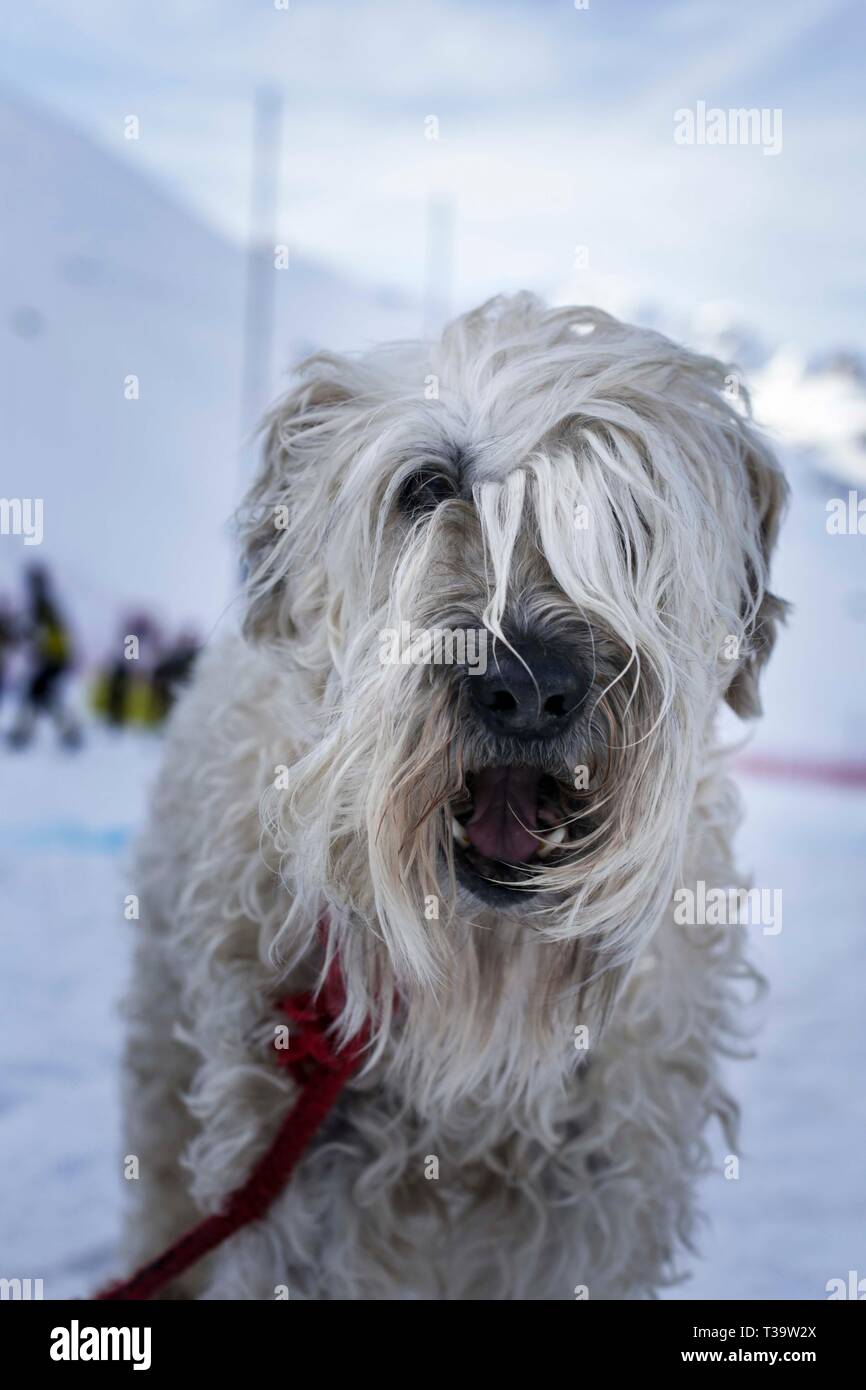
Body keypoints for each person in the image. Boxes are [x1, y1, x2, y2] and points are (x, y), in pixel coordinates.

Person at [7, 564, 82, 748]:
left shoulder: (42, 606)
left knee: (38, 693)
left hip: (54, 659)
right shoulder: (45, 604)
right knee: (43, 696)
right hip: (55, 659)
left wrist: (18, 635)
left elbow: (34, 631)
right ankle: (68, 733)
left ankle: (25, 733)